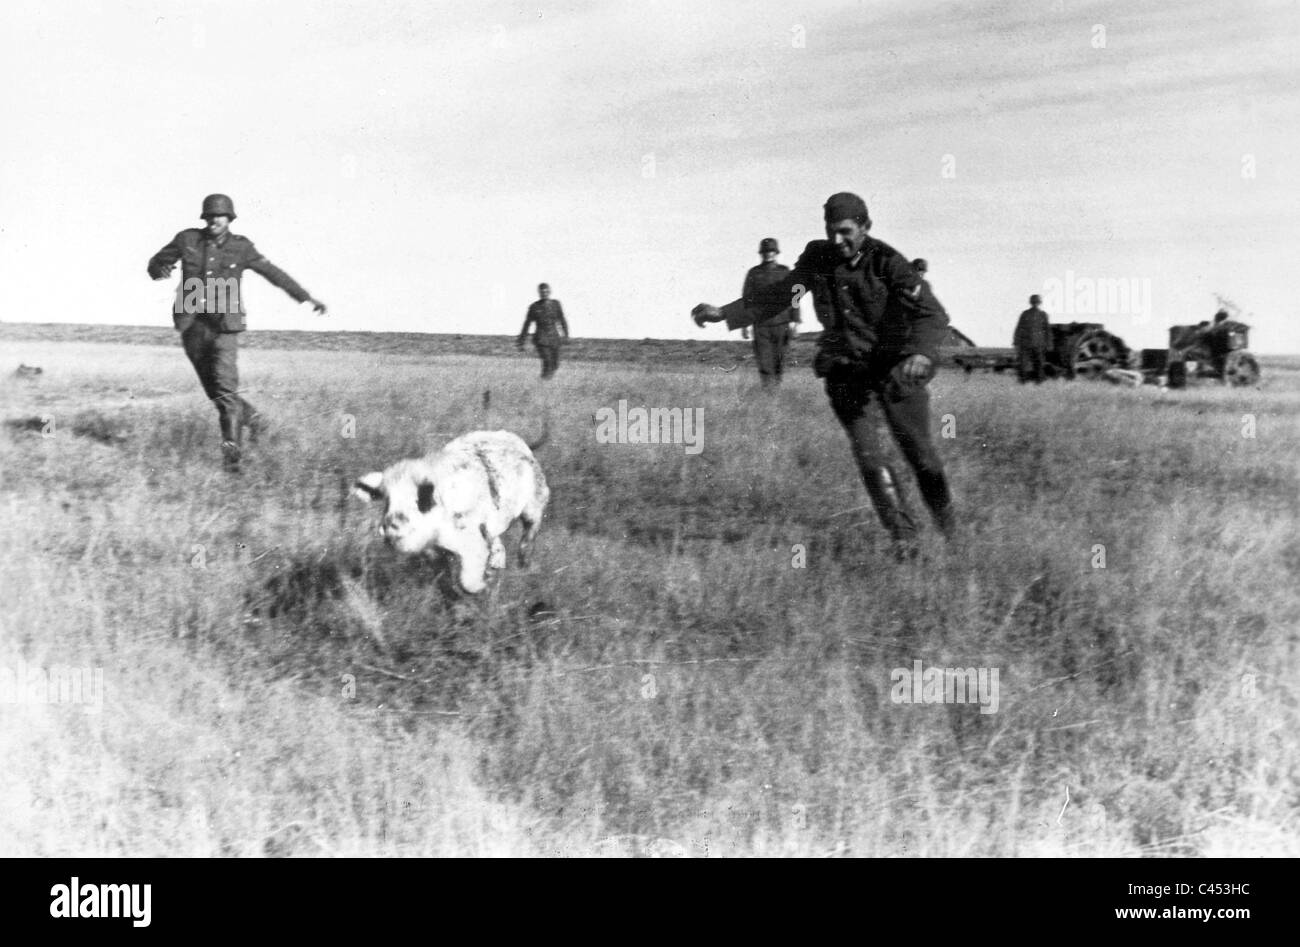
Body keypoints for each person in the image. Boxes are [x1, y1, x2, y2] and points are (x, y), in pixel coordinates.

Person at [693, 191, 955, 556]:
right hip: (846, 372)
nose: (838, 240)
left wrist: (923, 355)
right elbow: (784, 295)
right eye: (831, 231)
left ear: (865, 227)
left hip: (898, 370)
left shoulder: (888, 262)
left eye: (846, 231)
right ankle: (905, 543)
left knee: (921, 457)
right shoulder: (818, 259)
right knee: (868, 455)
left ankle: (952, 535)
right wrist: (726, 313)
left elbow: (932, 314)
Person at [147, 194, 326, 470]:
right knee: (216, 393)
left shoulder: (241, 248)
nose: (213, 221)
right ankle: (257, 423)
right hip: (192, 326)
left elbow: (274, 274)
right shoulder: (187, 240)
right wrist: (162, 270)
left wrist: (305, 297)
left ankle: (231, 464)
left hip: (225, 327)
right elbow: (156, 264)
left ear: (230, 219)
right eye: (208, 216)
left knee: (226, 392)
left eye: (219, 216)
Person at [741, 238, 801, 388]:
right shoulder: (754, 273)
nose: (768, 254)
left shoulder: (785, 272)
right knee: (764, 362)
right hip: (761, 326)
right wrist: (744, 324)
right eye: (765, 252)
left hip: (782, 324)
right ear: (761, 254)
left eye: (771, 251)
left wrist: (796, 321)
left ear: (776, 253)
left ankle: (776, 394)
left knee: (779, 362)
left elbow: (795, 297)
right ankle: (768, 396)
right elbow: (747, 299)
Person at [517, 283, 569, 379]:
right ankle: (544, 382)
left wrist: (566, 335)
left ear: (549, 292)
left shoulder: (556, 304)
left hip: (554, 339)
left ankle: (544, 380)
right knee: (547, 362)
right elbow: (527, 324)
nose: (544, 293)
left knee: (555, 365)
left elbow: (562, 320)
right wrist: (521, 341)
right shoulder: (534, 307)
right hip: (541, 340)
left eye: (546, 291)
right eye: (542, 292)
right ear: (539, 293)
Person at [1012, 294, 1051, 384]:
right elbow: (1019, 328)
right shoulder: (1025, 314)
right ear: (1031, 303)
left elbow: (1047, 330)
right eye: (1034, 302)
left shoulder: (1043, 315)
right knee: (1023, 364)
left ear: (1039, 303)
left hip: (1038, 344)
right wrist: (1016, 342)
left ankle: (1039, 382)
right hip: (1026, 344)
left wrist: (1049, 343)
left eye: (1037, 302)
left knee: (1039, 364)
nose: (1035, 304)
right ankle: (1023, 382)